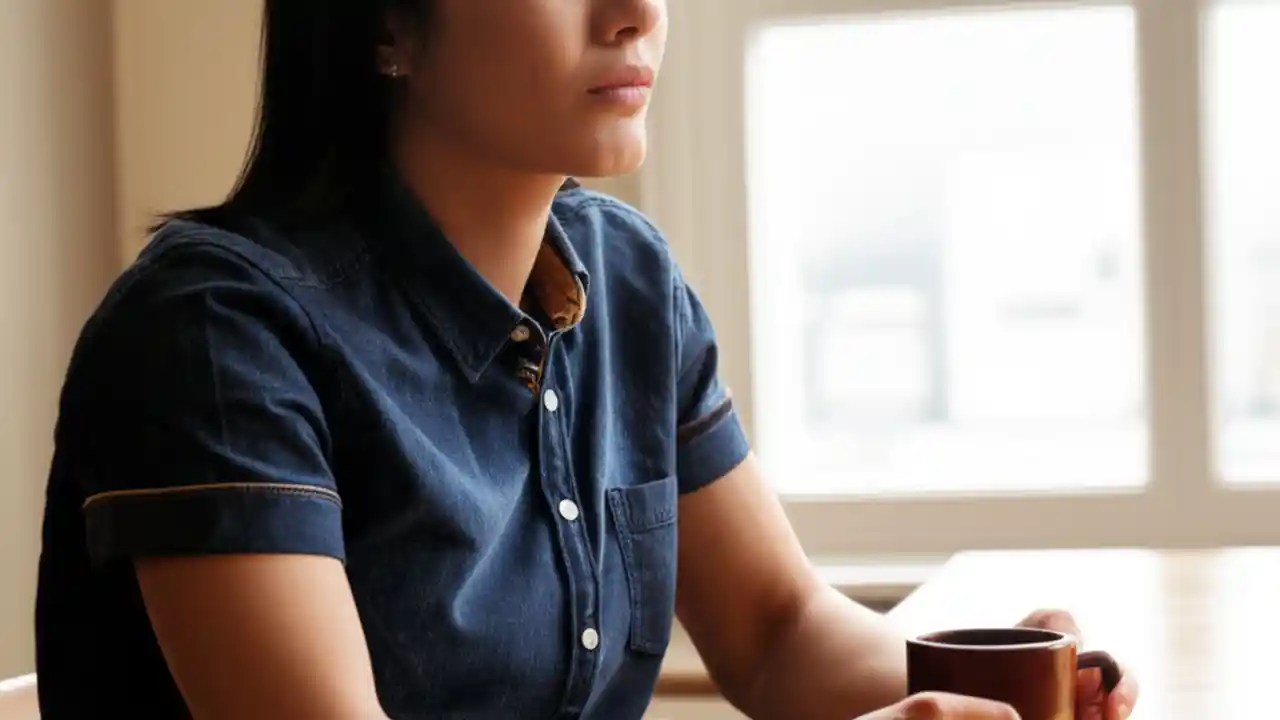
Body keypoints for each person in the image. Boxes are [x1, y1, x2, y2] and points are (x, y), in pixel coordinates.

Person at [34, 1, 1139, 718]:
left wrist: (976, 681)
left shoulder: (624, 280)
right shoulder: (213, 332)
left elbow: (774, 630)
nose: (637, 13)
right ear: (386, 28)